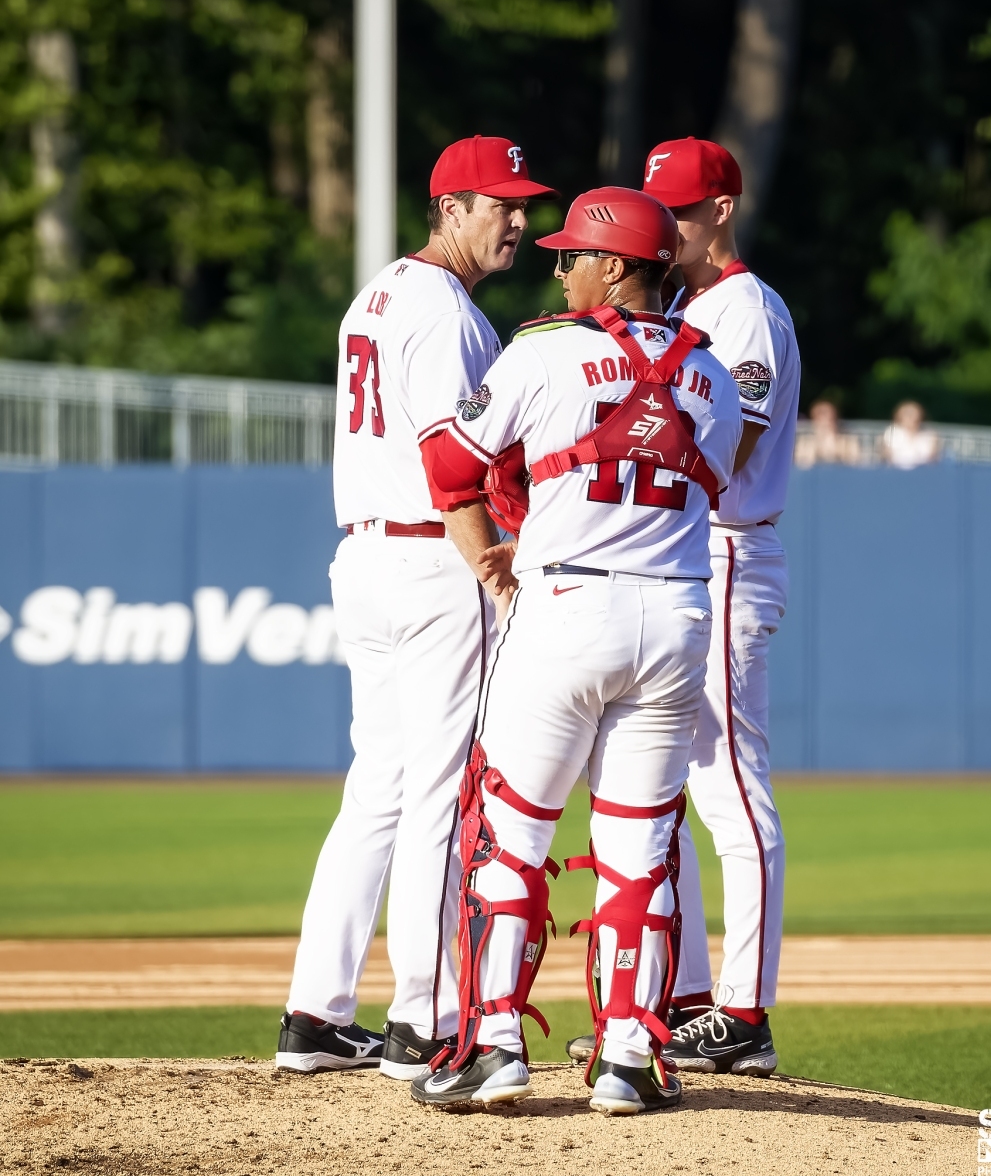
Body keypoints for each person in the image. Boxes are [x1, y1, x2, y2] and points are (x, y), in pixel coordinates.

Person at [409, 186, 742, 1114]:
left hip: (566, 609)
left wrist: (499, 535)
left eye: (574, 257)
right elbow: (717, 473)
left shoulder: (545, 351)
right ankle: (631, 1057)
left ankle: (494, 1048)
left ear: (617, 266)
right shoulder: (711, 374)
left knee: (507, 833)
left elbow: (449, 461)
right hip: (674, 616)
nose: (561, 271)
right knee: (640, 847)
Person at [274, 136, 553, 1075]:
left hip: (364, 556)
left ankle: (315, 1013)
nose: (515, 220)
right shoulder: (448, 314)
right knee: (437, 789)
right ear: (449, 209)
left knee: (377, 789)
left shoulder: (378, 293)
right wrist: (492, 566)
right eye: (498, 204)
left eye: (521, 205)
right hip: (434, 559)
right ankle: (423, 1017)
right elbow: (453, 461)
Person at [631, 136, 802, 1076]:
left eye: (683, 212)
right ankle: (692, 1001)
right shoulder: (693, 307)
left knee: (731, 787)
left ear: (722, 209)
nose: (669, 227)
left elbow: (730, 454)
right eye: (660, 213)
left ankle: (745, 1015)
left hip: (730, 550)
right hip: (684, 556)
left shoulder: (746, 312)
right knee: (664, 783)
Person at [795, 399, 862, 468]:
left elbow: (854, 461)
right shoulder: (806, 441)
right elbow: (802, 463)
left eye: (828, 417)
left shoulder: (848, 439)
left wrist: (834, 446)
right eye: (819, 418)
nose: (824, 422)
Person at [881, 400, 940, 469]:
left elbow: (932, 456)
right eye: (908, 415)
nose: (911, 419)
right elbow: (887, 454)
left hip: (922, 471)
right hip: (897, 470)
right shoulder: (891, 432)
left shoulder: (929, 434)